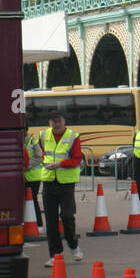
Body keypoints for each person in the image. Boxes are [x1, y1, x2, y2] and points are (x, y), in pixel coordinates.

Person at [39, 112, 83, 261]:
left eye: (59, 121)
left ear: (64, 121)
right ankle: (55, 255)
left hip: (66, 183)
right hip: (49, 181)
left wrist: (60, 164)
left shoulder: (72, 136)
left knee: (66, 216)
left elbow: (77, 159)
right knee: (51, 221)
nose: (56, 124)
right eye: (53, 121)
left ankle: (73, 245)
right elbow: (42, 153)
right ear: (49, 122)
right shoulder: (43, 135)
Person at [24, 129, 45, 227]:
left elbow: (40, 158)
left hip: (34, 177)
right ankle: (28, 222)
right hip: (24, 177)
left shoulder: (33, 142)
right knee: (25, 201)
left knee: (33, 200)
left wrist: (26, 166)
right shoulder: (16, 141)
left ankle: (38, 224)